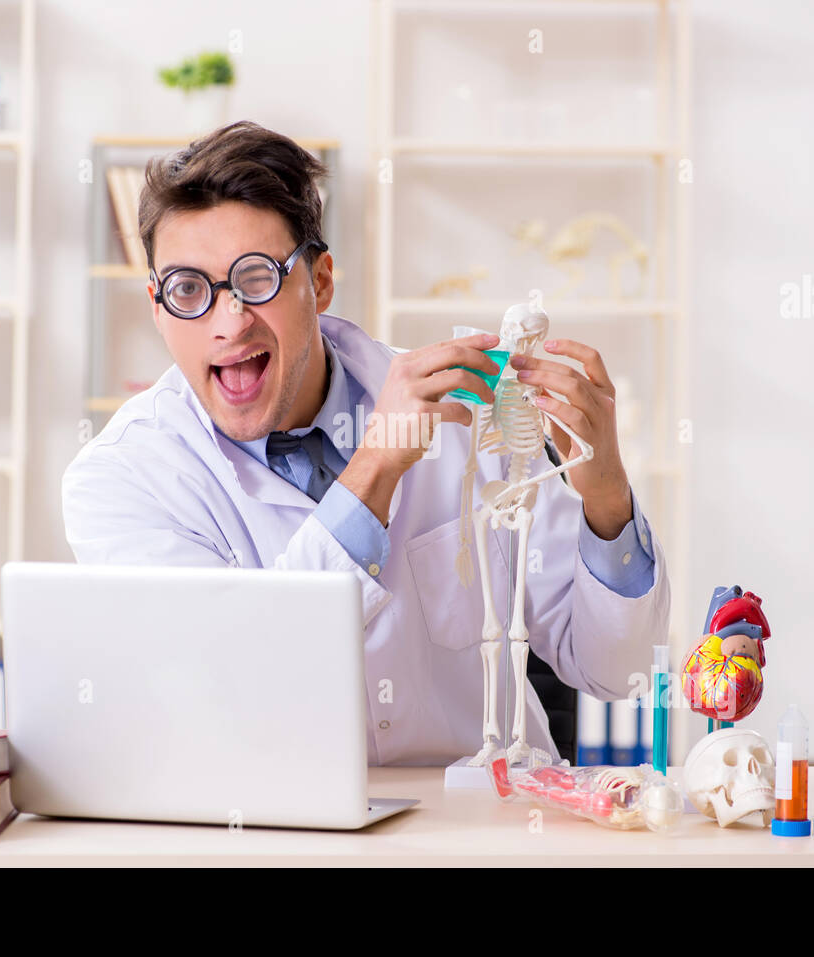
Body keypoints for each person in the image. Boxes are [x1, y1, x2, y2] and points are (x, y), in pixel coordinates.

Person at [62, 121, 670, 766]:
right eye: (188, 289)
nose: (228, 321)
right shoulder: (122, 479)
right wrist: (378, 462)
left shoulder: (464, 410)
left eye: (258, 278)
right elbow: (232, 680)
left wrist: (604, 490)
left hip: (478, 826)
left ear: (319, 282)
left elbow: (618, 671)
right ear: (157, 305)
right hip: (272, 829)